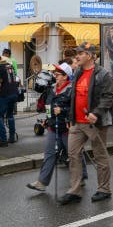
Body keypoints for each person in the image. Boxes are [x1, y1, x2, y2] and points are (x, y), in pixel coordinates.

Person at [57, 42, 113, 205]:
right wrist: (70, 117)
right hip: (77, 122)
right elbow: (73, 96)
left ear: (89, 55)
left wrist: (96, 113)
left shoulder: (102, 74)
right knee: (73, 154)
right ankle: (74, 190)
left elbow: (109, 96)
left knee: (100, 155)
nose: (77, 56)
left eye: (80, 53)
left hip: (95, 123)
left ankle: (104, 189)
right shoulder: (77, 72)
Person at [27, 63, 87, 192]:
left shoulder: (72, 89)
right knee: (49, 154)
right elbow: (49, 106)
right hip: (53, 127)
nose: (55, 75)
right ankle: (42, 182)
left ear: (66, 76)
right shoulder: (52, 88)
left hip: (67, 128)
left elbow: (77, 108)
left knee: (74, 155)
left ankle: (81, 177)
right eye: (55, 73)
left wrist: (63, 110)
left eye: (58, 73)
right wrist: (47, 120)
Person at [0, 50, 19, 147]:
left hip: (4, 95)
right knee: (10, 115)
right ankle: (12, 137)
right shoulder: (10, 66)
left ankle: (3, 140)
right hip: (14, 93)